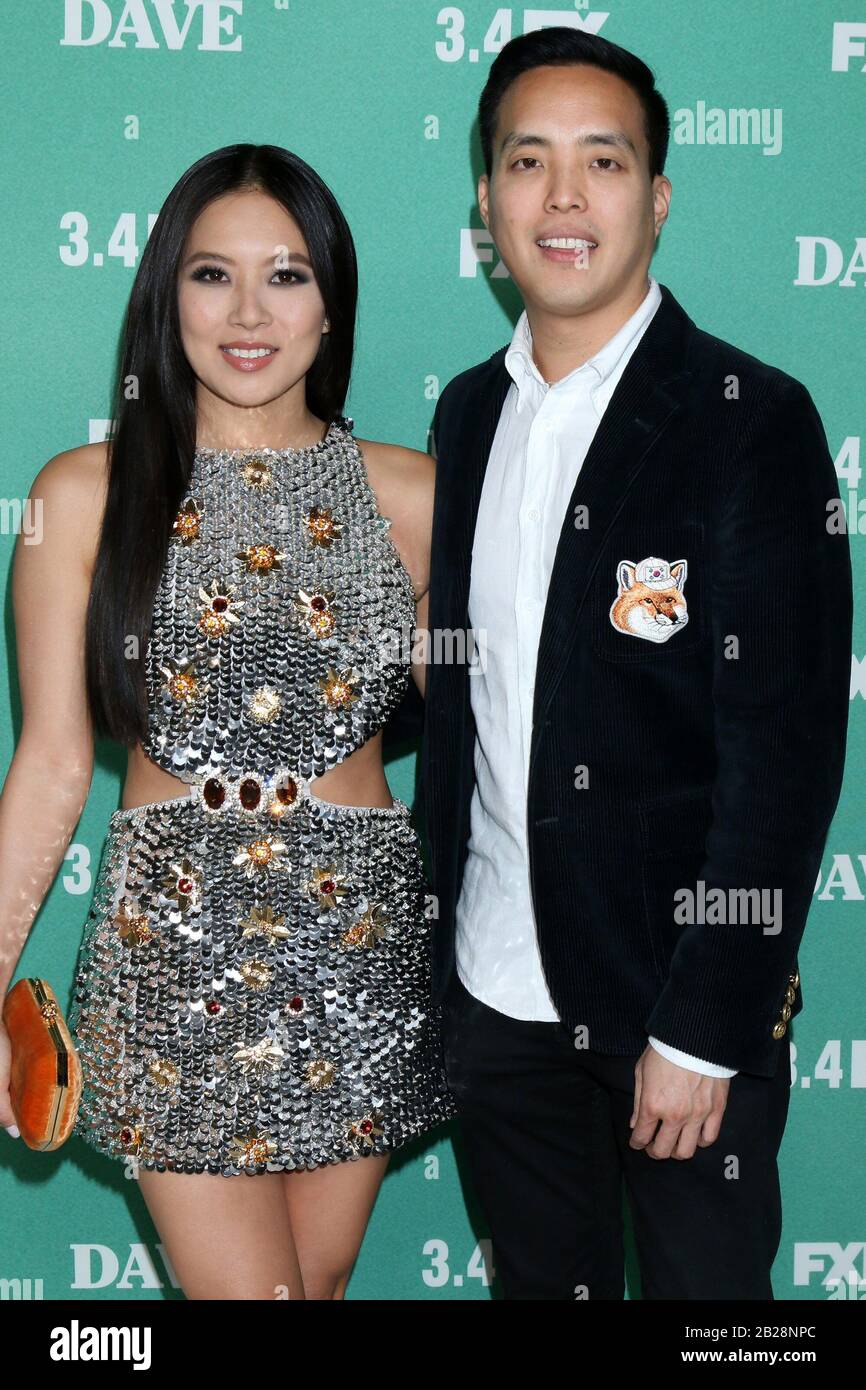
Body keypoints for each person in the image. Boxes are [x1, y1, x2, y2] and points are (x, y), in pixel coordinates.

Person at [421, 28, 852, 1299]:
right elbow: (470, 699)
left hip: (674, 1008)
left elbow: (782, 761)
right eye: (525, 161)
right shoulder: (467, 413)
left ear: (655, 196)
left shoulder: (749, 421)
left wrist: (705, 1028)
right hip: (495, 1000)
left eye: (600, 162)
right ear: (486, 198)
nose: (562, 198)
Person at [0, 143, 455, 1300]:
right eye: (212, 275)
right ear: (167, 294)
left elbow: (506, 738)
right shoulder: (82, 494)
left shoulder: (416, 495)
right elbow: (55, 759)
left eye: (286, 275)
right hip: (173, 949)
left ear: (330, 300)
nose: (248, 312)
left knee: (318, 1281)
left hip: (360, 941)